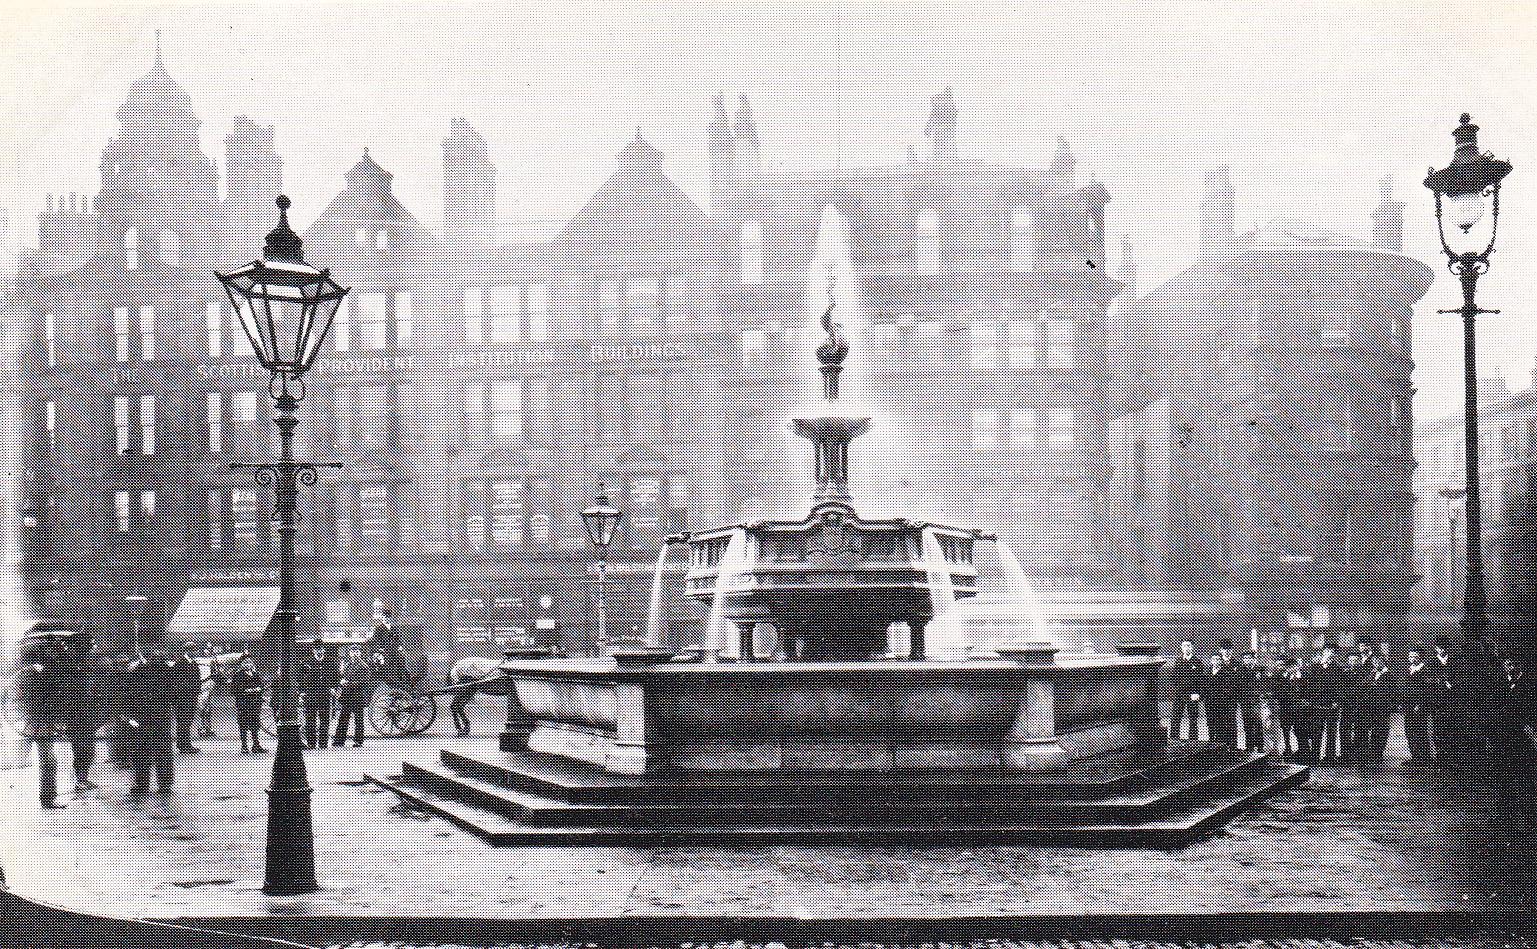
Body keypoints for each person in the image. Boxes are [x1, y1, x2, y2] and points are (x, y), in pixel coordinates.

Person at [15, 636, 66, 807]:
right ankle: (48, 798)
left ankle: (48, 796)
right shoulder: (39, 672)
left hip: (39, 720)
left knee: (49, 759)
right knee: (49, 759)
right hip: (42, 720)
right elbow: (46, 698)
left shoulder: (33, 670)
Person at [121, 650, 176, 794]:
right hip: (159, 716)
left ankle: (143, 784)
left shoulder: (138, 670)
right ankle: (164, 784)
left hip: (144, 716)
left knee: (142, 751)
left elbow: (128, 692)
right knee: (161, 751)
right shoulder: (166, 670)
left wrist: (129, 713)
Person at [60, 632, 102, 794]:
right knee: (81, 749)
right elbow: (67, 693)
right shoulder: (70, 666)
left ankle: (83, 778)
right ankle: (80, 780)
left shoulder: (85, 664)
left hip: (86, 714)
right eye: (90, 646)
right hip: (76, 715)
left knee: (87, 748)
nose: (93, 648)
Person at [1493, 656, 1536, 762]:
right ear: (1503, 668)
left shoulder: (1523, 679)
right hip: (1514, 720)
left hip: (1527, 716)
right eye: (1507, 665)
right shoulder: (1501, 683)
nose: (1511, 667)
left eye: (1512, 664)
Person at [297, 639, 338, 750]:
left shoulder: (331, 662)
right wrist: (301, 692)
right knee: (310, 720)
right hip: (310, 695)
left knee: (324, 720)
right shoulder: (306, 662)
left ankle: (323, 743)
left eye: (320, 648)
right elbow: (299, 678)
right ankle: (311, 743)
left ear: (324, 649)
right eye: (316, 649)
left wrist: (333, 688)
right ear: (313, 650)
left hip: (325, 694)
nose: (318, 651)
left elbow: (336, 676)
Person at [1360, 652, 1399, 763]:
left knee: (1381, 730)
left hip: (1382, 708)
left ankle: (1378, 753)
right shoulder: (1373, 674)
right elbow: (1364, 685)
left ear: (1383, 662)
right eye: (1374, 662)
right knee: (1372, 729)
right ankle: (1371, 753)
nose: (1376, 664)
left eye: (1378, 661)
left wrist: (1391, 706)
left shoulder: (1389, 675)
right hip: (1371, 707)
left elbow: (1394, 693)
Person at [1310, 643, 1346, 762]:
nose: (1330, 653)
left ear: (1335, 654)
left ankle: (1329, 757)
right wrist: (1312, 701)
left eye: (1333, 652)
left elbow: (1341, 687)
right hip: (1318, 704)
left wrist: (1337, 701)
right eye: (1328, 650)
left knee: (1331, 731)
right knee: (1316, 730)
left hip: (1332, 705)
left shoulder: (1338, 668)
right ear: (1323, 652)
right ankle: (1315, 755)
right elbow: (1310, 685)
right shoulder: (1314, 667)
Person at [335, 645, 375, 748]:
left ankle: (358, 741)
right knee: (343, 719)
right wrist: (342, 682)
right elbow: (343, 677)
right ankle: (339, 741)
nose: (354, 653)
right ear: (350, 653)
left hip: (358, 696)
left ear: (360, 653)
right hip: (347, 696)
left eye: (356, 651)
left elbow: (363, 682)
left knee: (358, 720)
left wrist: (345, 683)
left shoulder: (363, 666)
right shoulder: (348, 665)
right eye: (352, 651)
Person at [1402, 646, 1436, 764]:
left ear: (1421, 657)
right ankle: (1415, 756)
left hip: (1419, 705)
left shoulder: (1425, 670)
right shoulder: (1408, 669)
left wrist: (1419, 704)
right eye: (1410, 656)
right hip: (1408, 705)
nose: (1412, 658)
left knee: (1420, 730)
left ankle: (1424, 757)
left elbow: (1426, 690)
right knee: (1409, 730)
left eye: (1415, 656)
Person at [229, 654, 267, 754]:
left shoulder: (255, 674)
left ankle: (256, 744)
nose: (248, 664)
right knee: (243, 724)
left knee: (255, 724)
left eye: (250, 662)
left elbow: (261, 686)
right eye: (245, 662)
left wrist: (259, 690)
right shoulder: (238, 675)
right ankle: (244, 745)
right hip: (244, 704)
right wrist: (248, 690)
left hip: (255, 704)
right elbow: (233, 690)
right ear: (241, 664)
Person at [1168, 639, 1204, 740]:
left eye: (1188, 645)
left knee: (1193, 719)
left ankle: (1193, 742)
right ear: (1181, 648)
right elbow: (1173, 678)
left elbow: (1201, 680)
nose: (1186, 648)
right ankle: (1173, 740)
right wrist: (1180, 691)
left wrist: (1197, 693)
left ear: (1192, 647)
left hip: (1193, 695)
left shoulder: (1198, 662)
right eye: (1184, 646)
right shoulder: (1178, 661)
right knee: (1175, 718)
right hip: (1180, 694)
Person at [171, 643, 203, 754]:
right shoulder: (180, 663)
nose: (195, 652)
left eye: (195, 650)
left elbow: (197, 679)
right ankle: (183, 745)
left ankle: (185, 744)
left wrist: (196, 692)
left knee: (187, 721)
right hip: (182, 698)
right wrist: (187, 690)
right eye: (193, 650)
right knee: (183, 721)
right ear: (187, 650)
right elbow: (176, 681)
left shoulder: (193, 663)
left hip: (191, 697)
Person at [1204, 651, 1237, 746]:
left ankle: (1220, 746)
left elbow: (1228, 688)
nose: (1216, 661)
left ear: (1221, 661)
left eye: (1218, 659)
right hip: (1209, 703)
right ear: (1211, 661)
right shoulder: (1207, 673)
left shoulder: (1226, 673)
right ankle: (1211, 745)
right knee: (1210, 724)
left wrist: (1221, 698)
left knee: (1220, 726)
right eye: (1214, 659)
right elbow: (1203, 687)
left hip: (1221, 704)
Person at [1237, 651, 1265, 753]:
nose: (1247, 660)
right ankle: (1249, 746)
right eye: (1245, 658)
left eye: (1249, 658)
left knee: (1258, 724)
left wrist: (1260, 696)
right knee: (1247, 724)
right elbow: (1238, 686)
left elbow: (1263, 685)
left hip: (1256, 701)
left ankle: (1260, 746)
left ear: (1254, 659)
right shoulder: (1240, 670)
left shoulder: (1260, 670)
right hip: (1245, 701)